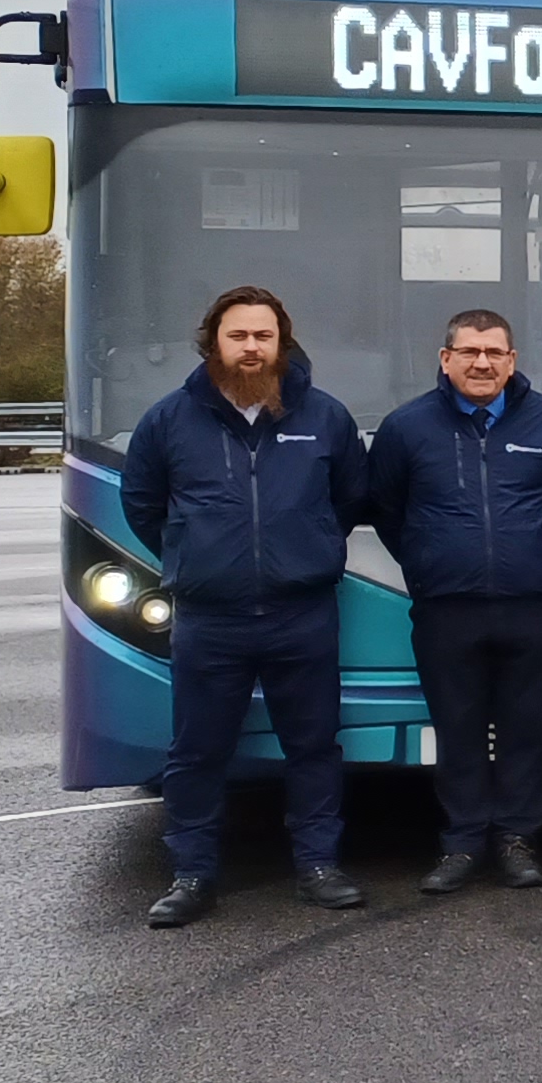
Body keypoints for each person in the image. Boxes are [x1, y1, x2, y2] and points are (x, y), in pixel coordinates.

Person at [120, 287, 369, 928]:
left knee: (313, 747)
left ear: (282, 342)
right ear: (214, 343)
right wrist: (199, 558)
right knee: (198, 752)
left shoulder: (327, 417)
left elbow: (347, 501)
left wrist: (301, 552)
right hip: (211, 619)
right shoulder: (168, 420)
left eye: (264, 337)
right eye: (239, 337)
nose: (252, 348)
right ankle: (193, 873)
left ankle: (318, 866)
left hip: (302, 613)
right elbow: (144, 506)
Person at [363, 306, 542, 896]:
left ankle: (516, 840)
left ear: (512, 361)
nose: (482, 363)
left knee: (525, 727)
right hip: (445, 607)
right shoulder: (406, 428)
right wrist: (430, 558)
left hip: (530, 604)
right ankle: (461, 843)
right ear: (446, 359)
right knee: (456, 728)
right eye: (469, 352)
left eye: (494, 353)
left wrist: (532, 551)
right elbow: (385, 509)